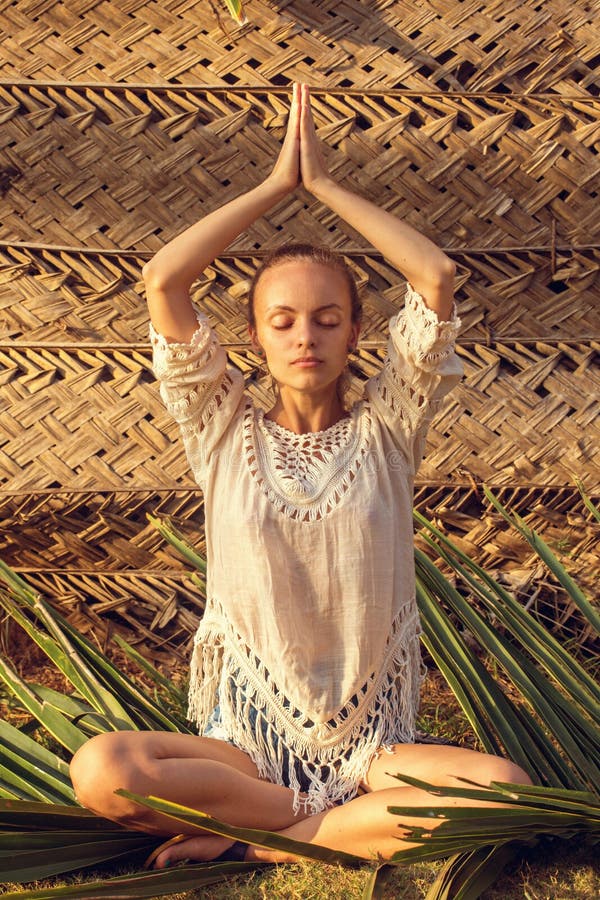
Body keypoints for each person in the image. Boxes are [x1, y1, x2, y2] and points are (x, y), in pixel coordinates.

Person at [70, 82, 532, 868]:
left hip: (373, 748)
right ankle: (309, 820)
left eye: (327, 318)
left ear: (357, 331)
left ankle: (260, 848)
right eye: (282, 321)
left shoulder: (388, 430)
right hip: (245, 751)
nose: (305, 337)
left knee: (509, 792)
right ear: (253, 337)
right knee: (102, 772)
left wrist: (326, 185)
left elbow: (436, 275)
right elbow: (162, 282)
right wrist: (275, 184)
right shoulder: (220, 427)